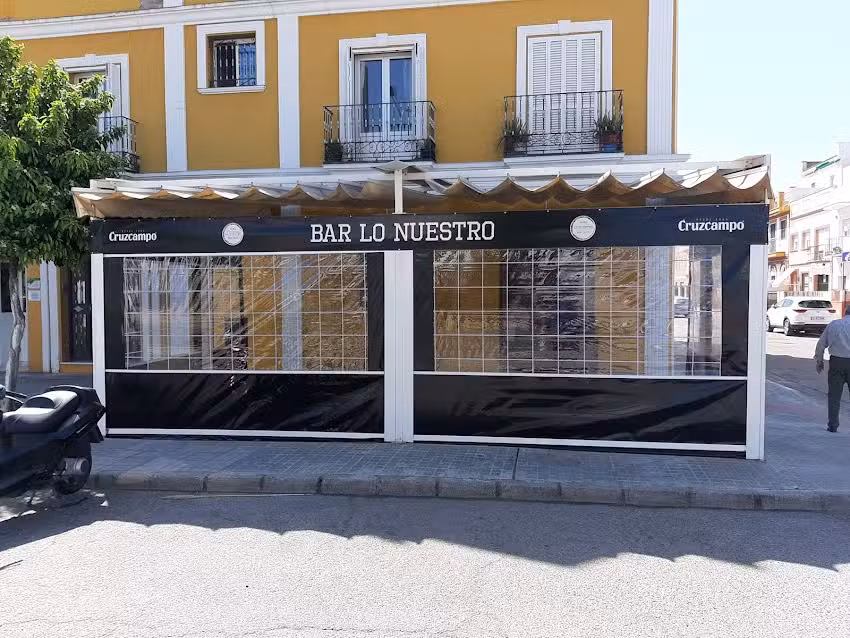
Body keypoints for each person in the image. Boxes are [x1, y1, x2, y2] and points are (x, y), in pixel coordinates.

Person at [815, 306, 850, 432]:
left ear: (845, 312)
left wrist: (819, 361)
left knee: (834, 396)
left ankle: (833, 425)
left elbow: (821, 344)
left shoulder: (834, 325)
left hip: (836, 363)